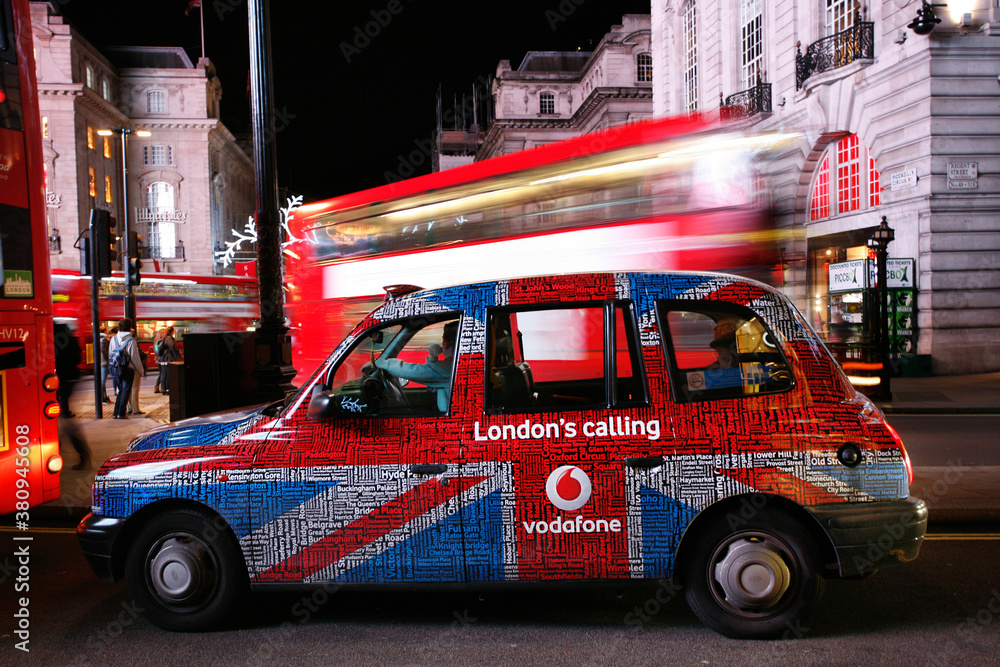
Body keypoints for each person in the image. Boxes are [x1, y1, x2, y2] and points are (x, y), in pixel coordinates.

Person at [374, 320, 458, 413]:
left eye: (443, 340)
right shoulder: (454, 364)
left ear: (447, 343)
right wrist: (432, 358)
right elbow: (434, 384)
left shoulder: (452, 367)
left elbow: (415, 372)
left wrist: (382, 363)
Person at [53, 323, 92, 469]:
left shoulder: (55, 335)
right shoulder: (68, 336)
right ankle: (60, 447)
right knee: (62, 417)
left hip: (62, 380)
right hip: (70, 378)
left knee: (65, 418)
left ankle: (83, 454)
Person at [109, 318, 143, 419]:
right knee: (126, 390)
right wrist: (140, 370)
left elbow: (110, 353)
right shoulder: (131, 340)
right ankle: (122, 413)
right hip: (128, 369)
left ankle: (116, 413)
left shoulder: (113, 339)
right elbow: (134, 357)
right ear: (129, 327)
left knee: (120, 390)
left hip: (116, 368)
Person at [155, 326, 180, 395]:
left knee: (163, 375)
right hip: (167, 359)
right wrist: (176, 356)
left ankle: (164, 390)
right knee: (168, 375)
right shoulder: (168, 338)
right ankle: (168, 390)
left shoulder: (160, 339)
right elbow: (172, 347)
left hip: (161, 359)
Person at [129, 327, 146, 416]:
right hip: (133, 368)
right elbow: (136, 357)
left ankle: (129, 407)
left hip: (124, 368)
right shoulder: (133, 342)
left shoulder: (117, 340)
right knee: (135, 388)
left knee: (128, 389)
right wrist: (141, 370)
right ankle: (136, 408)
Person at [99, 325, 111, 403]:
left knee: (102, 380)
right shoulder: (104, 339)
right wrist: (109, 359)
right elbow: (104, 351)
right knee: (103, 380)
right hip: (104, 362)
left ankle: (103, 395)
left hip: (100, 362)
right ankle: (103, 396)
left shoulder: (98, 339)